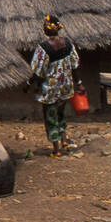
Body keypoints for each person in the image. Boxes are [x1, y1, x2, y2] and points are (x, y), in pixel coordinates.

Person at [29, 14, 81, 158]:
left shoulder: (44, 48)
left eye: (45, 26)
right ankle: (64, 141)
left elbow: (39, 72)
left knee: (51, 118)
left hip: (50, 90)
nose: (43, 29)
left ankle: (56, 150)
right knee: (61, 114)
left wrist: (33, 85)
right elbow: (75, 65)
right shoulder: (68, 44)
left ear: (49, 29)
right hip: (65, 87)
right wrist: (79, 84)